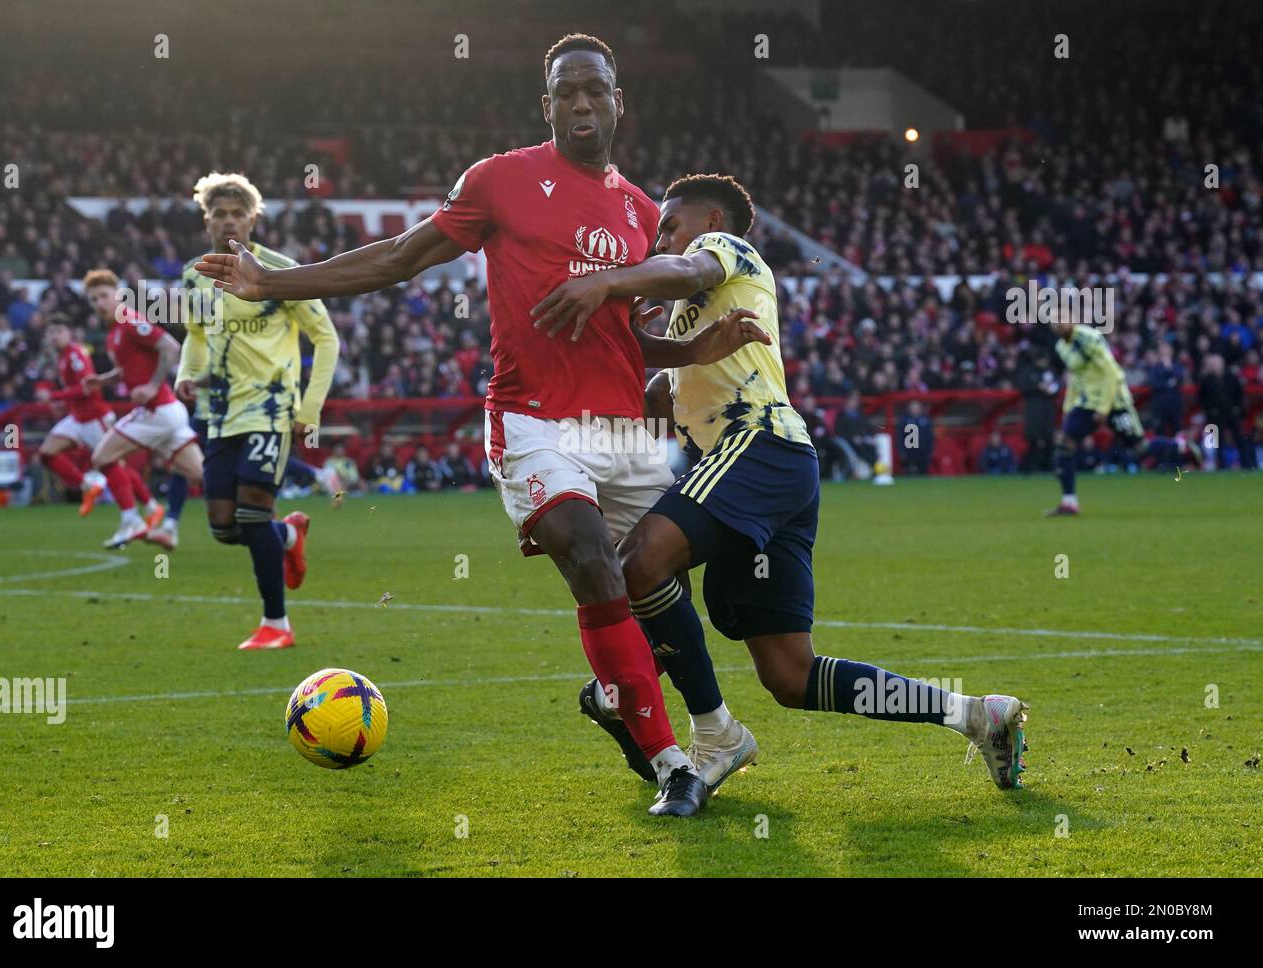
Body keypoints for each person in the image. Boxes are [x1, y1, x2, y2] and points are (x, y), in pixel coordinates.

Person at [193, 36, 767, 815]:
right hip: (532, 417)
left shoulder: (640, 212)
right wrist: (274, 282)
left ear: (618, 100)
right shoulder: (500, 180)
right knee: (592, 557)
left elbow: (626, 335)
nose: (582, 105)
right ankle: (672, 763)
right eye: (566, 92)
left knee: (657, 586)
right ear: (547, 105)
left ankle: (707, 729)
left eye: (595, 90)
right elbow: (401, 255)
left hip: (622, 430)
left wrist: (692, 348)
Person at [534, 173, 1030, 794]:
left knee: (638, 564)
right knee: (790, 676)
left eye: (670, 225)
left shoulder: (731, 255)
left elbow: (686, 274)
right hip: (776, 473)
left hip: (758, 446)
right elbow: (648, 398)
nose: (659, 237)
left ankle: (709, 734)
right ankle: (978, 716)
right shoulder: (694, 324)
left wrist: (606, 280)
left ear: (711, 222)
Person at [177, 172, 338, 650]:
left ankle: (276, 625)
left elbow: (326, 337)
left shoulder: (277, 272)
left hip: (271, 409)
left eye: (236, 213)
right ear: (207, 220)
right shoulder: (194, 274)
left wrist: (310, 408)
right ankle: (288, 536)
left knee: (250, 517)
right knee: (224, 527)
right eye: (219, 214)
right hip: (219, 412)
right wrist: (186, 373)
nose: (228, 221)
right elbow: (198, 335)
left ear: (253, 219)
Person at [81, 270, 204, 548]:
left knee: (102, 458)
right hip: (167, 413)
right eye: (93, 299)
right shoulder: (114, 332)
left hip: (156, 410)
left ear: (118, 294)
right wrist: (104, 379)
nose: (99, 303)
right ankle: (260, 513)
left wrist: (152, 385)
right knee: (201, 476)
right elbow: (128, 368)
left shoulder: (130, 320)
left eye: (103, 295)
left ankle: (131, 520)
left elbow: (170, 347)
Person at [37, 314, 162, 526]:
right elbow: (76, 391)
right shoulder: (62, 356)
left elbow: (87, 388)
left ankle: (151, 505)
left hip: (95, 419)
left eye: (59, 332)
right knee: (46, 453)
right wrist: (63, 403)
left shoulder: (76, 355)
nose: (54, 336)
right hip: (77, 419)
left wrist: (55, 396)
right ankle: (87, 485)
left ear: (69, 334)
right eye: (51, 333)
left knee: (116, 465)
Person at [1045, 307, 1146, 516]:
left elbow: (1111, 372)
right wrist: (1068, 406)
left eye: (1061, 319)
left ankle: (1182, 449)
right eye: (1053, 321)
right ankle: (1069, 502)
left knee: (1140, 449)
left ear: (1073, 320)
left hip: (1114, 400)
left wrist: (1103, 408)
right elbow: (1076, 376)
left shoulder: (1089, 338)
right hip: (1087, 403)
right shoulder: (1061, 347)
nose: (1057, 324)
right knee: (1064, 446)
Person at [1198, 353, 1256, 470]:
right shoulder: (1206, 380)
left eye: (1217, 363)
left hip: (1231, 412)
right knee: (1217, 442)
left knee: (1239, 438)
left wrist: (1237, 408)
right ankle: (1220, 465)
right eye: (1212, 363)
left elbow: (1239, 393)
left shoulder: (1231, 377)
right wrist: (1210, 410)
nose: (1215, 366)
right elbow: (1201, 398)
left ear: (1222, 363)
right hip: (1215, 415)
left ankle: (1248, 464)